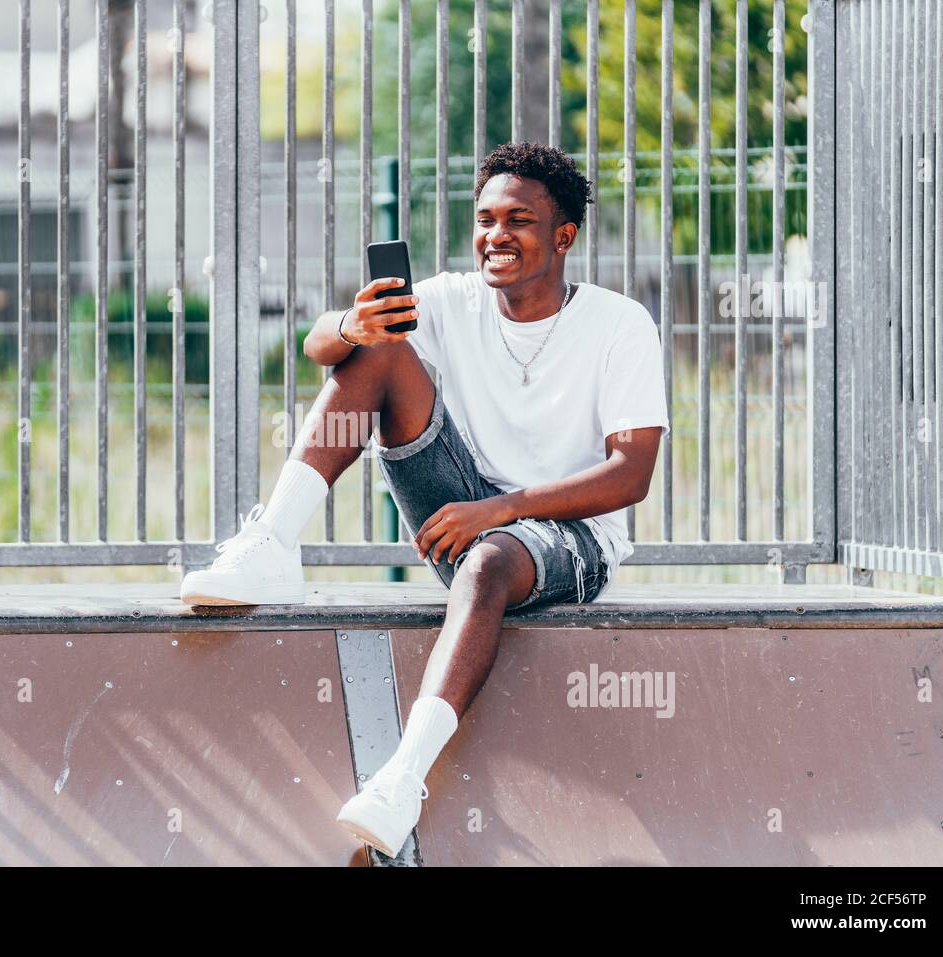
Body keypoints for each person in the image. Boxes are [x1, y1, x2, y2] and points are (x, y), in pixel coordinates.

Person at [179, 141, 669, 859]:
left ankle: (402, 778)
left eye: (520, 221)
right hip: (463, 512)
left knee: (488, 564)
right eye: (485, 218)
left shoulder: (619, 324)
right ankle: (273, 545)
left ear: (563, 236)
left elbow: (631, 475)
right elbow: (320, 343)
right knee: (377, 350)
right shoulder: (449, 298)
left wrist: (501, 512)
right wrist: (353, 328)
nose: (496, 236)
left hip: (569, 539)